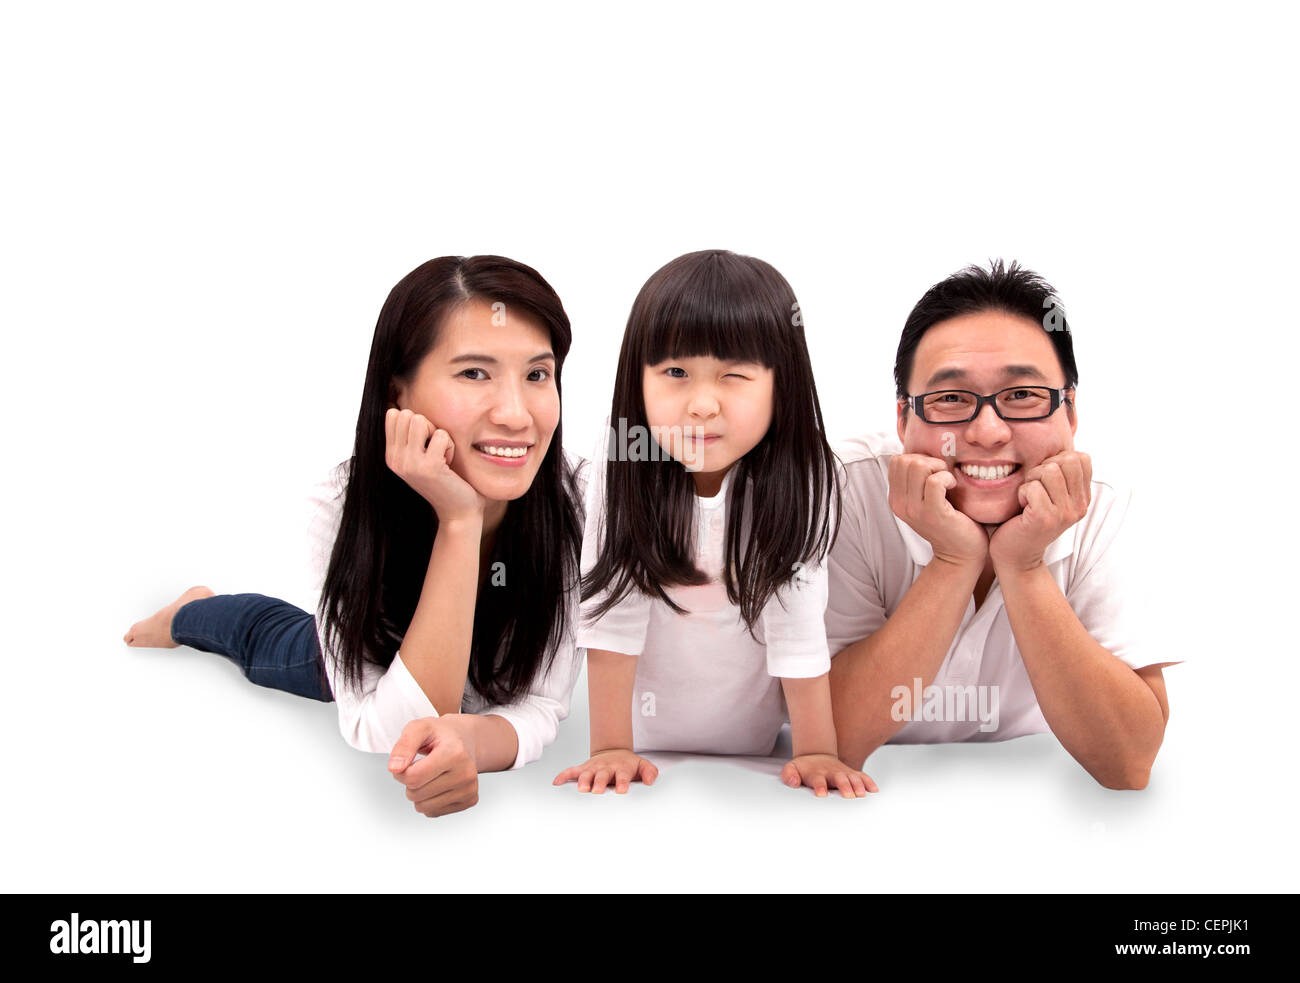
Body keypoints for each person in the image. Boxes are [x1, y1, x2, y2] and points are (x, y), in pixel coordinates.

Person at [124, 255, 585, 816]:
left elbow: (541, 703)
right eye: (474, 373)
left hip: (458, 681)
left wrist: (472, 743)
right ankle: (187, 613)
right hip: (372, 656)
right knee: (263, 641)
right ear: (399, 395)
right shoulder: (338, 505)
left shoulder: (580, 502)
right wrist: (459, 523)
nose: (517, 415)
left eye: (537, 374)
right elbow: (379, 727)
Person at [826, 260, 1175, 789]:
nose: (987, 432)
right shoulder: (843, 491)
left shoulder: (1101, 504)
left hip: (1025, 793)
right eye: (950, 399)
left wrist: (1024, 564)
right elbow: (831, 740)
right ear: (903, 420)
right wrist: (953, 561)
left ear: (1071, 413)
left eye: (1021, 396)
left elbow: (1128, 763)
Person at [553, 249, 876, 798]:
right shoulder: (622, 464)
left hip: (760, 740)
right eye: (675, 373)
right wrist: (609, 747)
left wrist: (816, 749)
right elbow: (613, 614)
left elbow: (797, 618)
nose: (702, 404)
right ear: (639, 379)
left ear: (782, 386)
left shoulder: (807, 475)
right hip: (648, 736)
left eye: (733, 375)